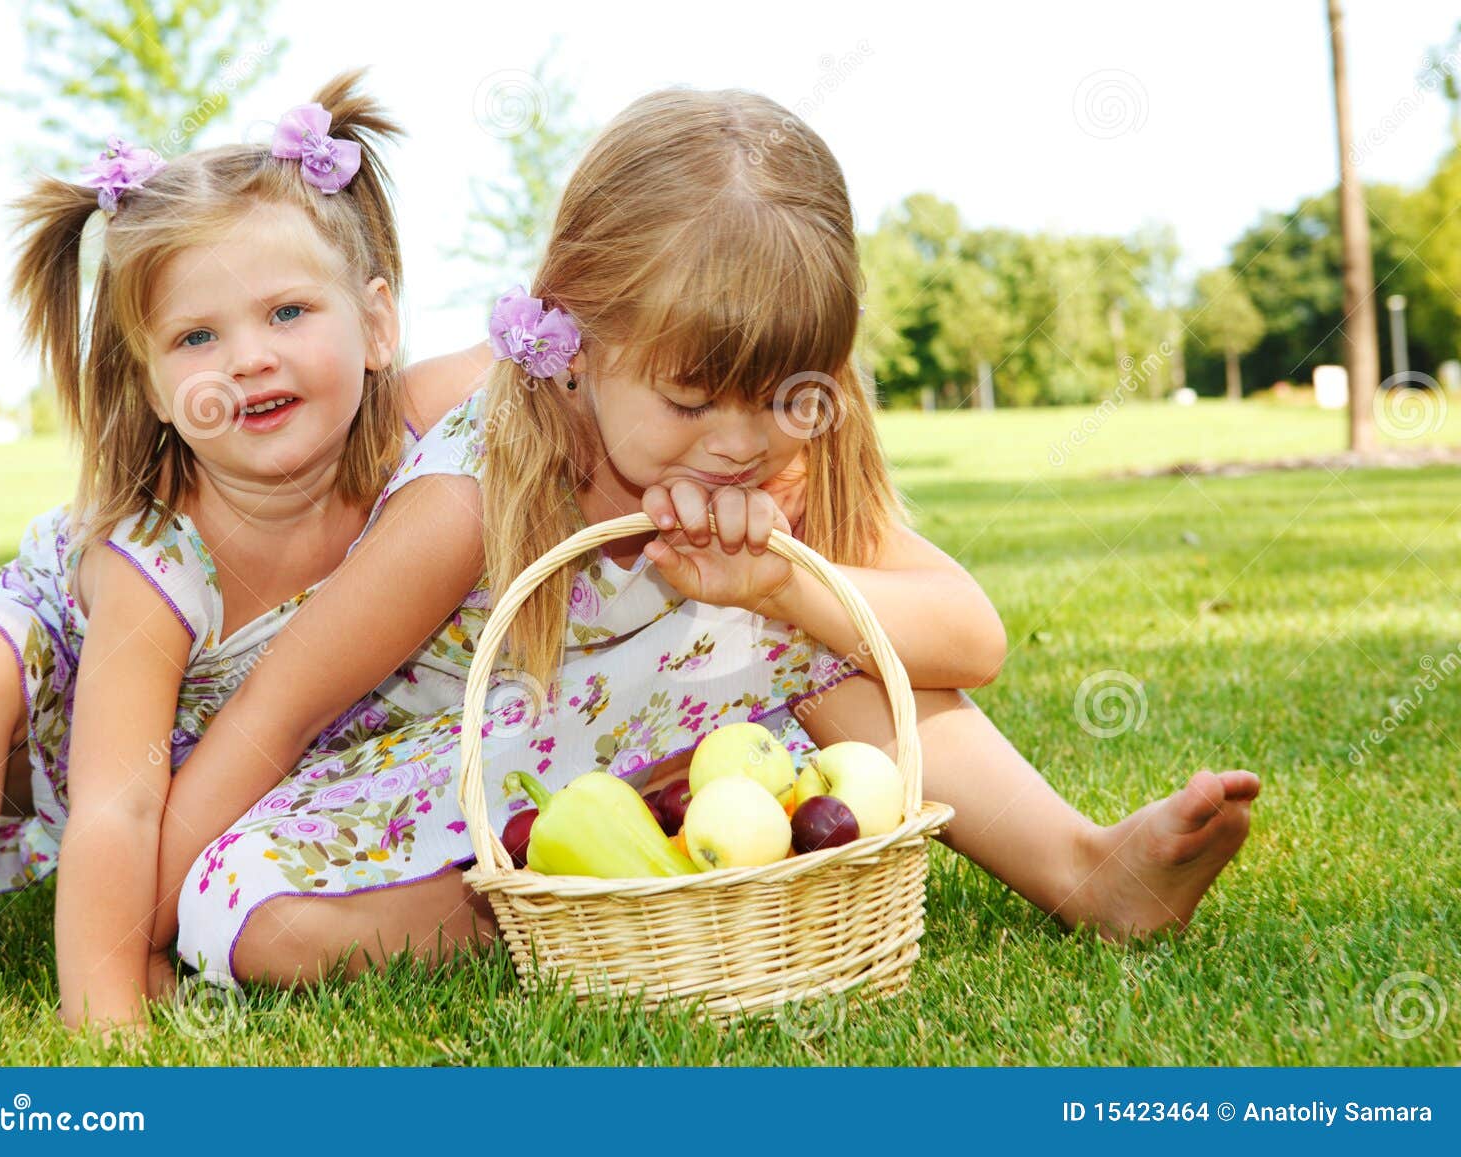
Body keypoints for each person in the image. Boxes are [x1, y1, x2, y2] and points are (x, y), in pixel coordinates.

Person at [151, 88, 1258, 991]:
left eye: (780, 395)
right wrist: (133, 940)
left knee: (815, 622)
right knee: (260, 926)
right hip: (430, 778)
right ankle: (577, 905)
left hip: (657, 746)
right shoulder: (476, 487)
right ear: (576, 339)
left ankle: (1083, 867)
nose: (736, 442)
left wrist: (780, 586)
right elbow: (275, 714)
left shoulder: (781, 444)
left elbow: (971, 636)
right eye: (689, 402)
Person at [0, 71, 472, 1031]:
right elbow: (118, 805)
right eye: (196, 336)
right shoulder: (159, 554)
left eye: (288, 313)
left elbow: (565, 355)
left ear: (377, 324)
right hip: (63, 713)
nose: (249, 359)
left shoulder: (425, 428)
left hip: (259, 761)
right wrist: (110, 1017)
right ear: (151, 388)